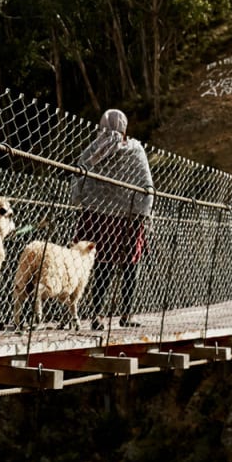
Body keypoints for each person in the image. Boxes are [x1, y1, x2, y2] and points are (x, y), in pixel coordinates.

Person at [70, 108, 154, 330]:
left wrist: (78, 200)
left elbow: (79, 177)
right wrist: (143, 213)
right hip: (128, 218)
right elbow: (147, 186)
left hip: (97, 216)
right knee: (129, 266)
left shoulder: (93, 151)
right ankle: (126, 313)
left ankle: (96, 315)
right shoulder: (135, 151)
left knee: (102, 265)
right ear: (125, 128)